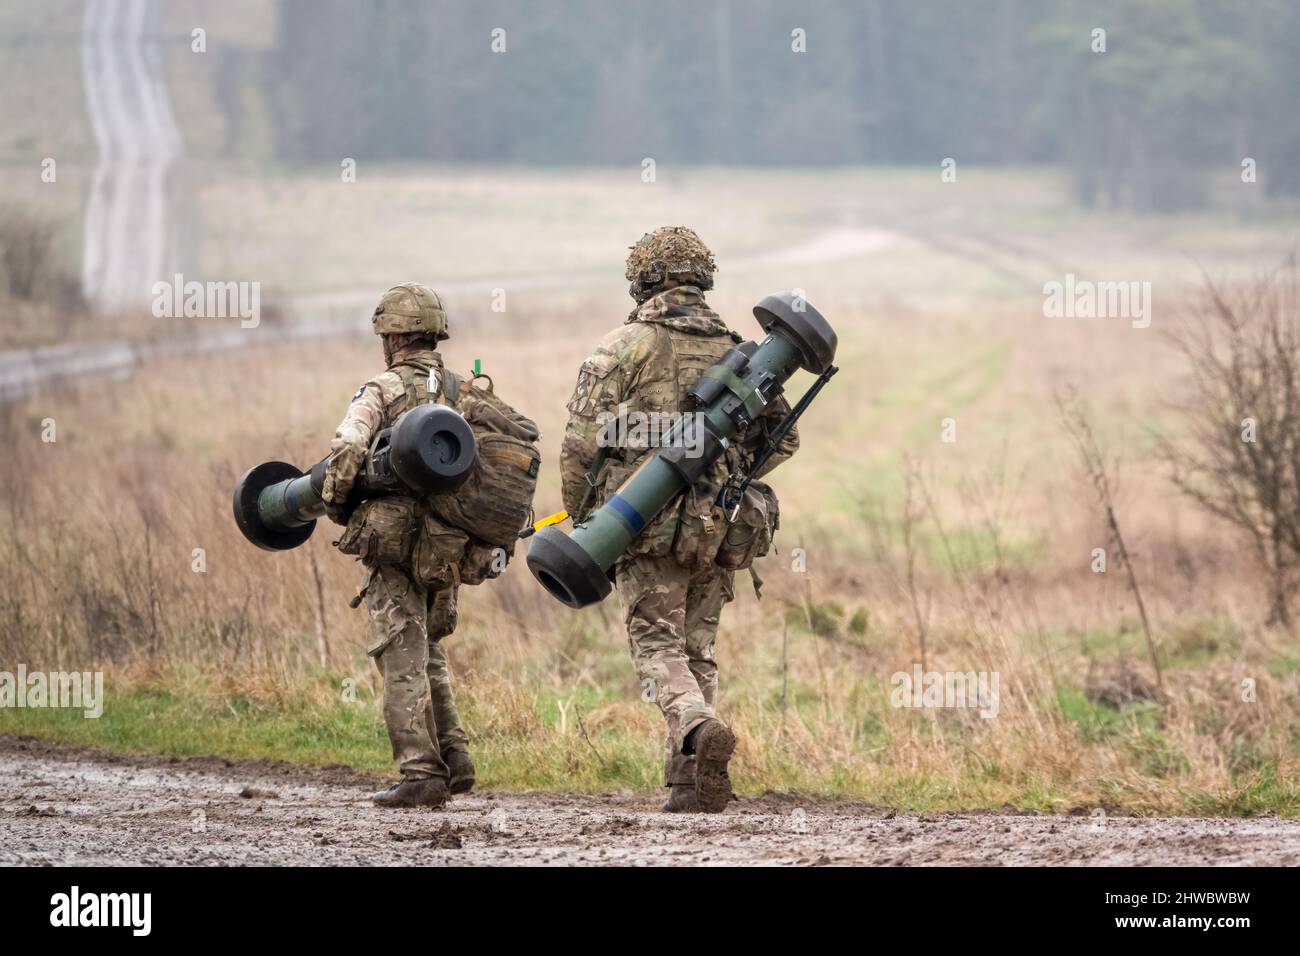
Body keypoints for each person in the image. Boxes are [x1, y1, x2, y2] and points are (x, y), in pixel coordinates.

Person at [559, 228, 799, 812]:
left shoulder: (620, 348)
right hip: (721, 523)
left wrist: (588, 524)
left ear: (641, 279)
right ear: (703, 278)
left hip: (641, 524)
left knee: (655, 645)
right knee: (698, 649)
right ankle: (690, 783)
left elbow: (581, 446)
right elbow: (785, 440)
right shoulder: (742, 350)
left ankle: (694, 725)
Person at [320, 282, 476, 808]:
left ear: (393, 336)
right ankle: (455, 757)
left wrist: (337, 503)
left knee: (399, 651)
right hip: (450, 545)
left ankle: (421, 772)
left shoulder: (382, 388)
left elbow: (346, 449)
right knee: (429, 648)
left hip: (395, 544)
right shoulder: (466, 390)